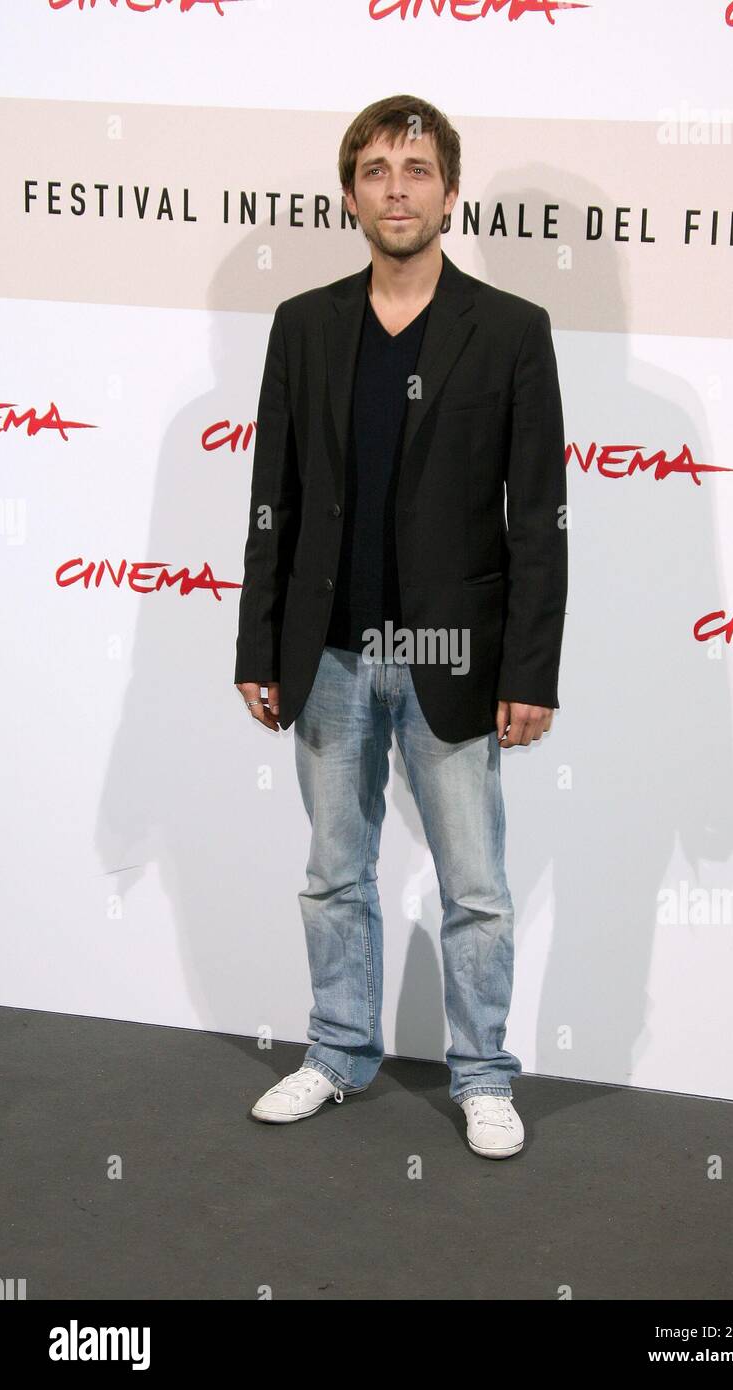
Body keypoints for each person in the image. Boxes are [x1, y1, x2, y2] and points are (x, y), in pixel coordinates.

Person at [234, 94, 567, 1159]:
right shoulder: (304, 325)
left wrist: (531, 670)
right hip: (329, 653)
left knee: (476, 888)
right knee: (333, 874)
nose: (396, 189)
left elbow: (538, 518)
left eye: (416, 170)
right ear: (351, 194)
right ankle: (338, 1050)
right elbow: (273, 498)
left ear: (449, 192)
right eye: (376, 170)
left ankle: (483, 1075)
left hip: (451, 655)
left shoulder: (510, 330)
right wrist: (258, 644)